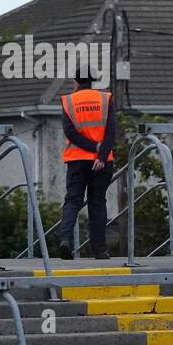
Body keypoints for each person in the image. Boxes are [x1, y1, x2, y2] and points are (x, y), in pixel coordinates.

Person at [58, 70, 116, 259]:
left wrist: (92, 146)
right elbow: (111, 131)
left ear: (76, 81)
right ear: (92, 81)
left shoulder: (69, 102)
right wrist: (100, 153)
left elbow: (70, 133)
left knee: (73, 200)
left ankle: (65, 240)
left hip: (76, 160)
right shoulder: (105, 99)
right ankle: (99, 249)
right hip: (101, 161)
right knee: (97, 201)